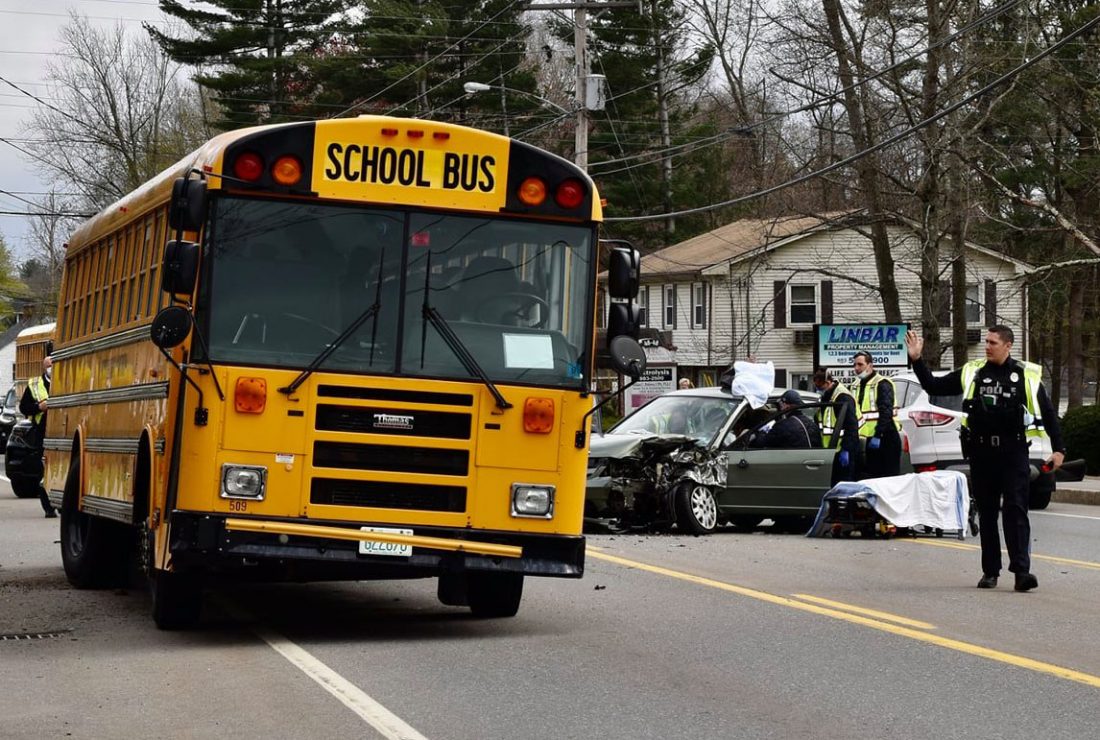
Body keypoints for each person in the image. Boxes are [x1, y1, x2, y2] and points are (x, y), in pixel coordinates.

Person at [905, 326, 1064, 592]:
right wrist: (917, 360)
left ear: (1008, 345)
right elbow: (934, 386)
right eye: (987, 342)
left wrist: (1059, 448)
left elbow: (1048, 414)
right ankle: (990, 572)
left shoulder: (1025, 375)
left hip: (1013, 453)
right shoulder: (973, 371)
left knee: (1015, 511)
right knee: (988, 513)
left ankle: (1022, 572)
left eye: (993, 342)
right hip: (981, 453)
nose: (987, 346)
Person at [852, 350, 901, 478]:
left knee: (888, 479)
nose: (856, 368)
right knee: (873, 478)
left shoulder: (882, 383)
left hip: (886, 437)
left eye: (860, 364)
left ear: (870, 365)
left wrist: (878, 435)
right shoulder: (856, 385)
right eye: (855, 365)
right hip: (867, 439)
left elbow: (886, 412)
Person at [19, 355, 54, 518]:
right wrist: (39, 407)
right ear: (44, 367)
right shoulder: (35, 385)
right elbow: (24, 407)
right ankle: (48, 507)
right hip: (43, 432)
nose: (51, 368)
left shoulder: (66, 379)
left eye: (53, 364)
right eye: (48, 365)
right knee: (44, 469)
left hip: (61, 430)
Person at [813, 367, 860, 483]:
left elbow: (851, 426)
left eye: (820, 387)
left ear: (828, 383)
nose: (818, 390)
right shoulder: (828, 396)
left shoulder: (842, 397)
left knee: (844, 486)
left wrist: (846, 449)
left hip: (843, 449)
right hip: (831, 450)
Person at [752, 389, 822, 449]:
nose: (781, 407)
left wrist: (761, 431)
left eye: (781, 404)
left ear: (786, 405)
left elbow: (762, 443)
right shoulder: (812, 424)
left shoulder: (783, 426)